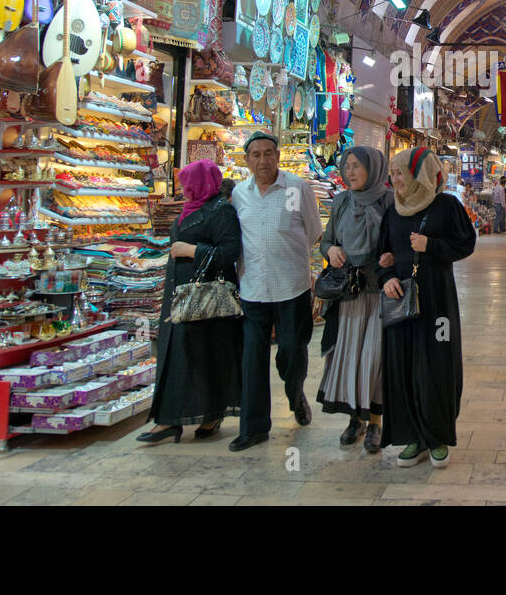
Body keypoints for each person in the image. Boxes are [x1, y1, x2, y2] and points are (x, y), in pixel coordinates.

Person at [377, 147, 475, 468]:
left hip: (436, 300)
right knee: (403, 364)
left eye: (400, 173)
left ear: (418, 175)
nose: (395, 180)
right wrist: (387, 276)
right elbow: (383, 255)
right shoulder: (393, 211)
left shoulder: (446, 205)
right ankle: (412, 438)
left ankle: (437, 437)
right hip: (401, 300)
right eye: (392, 174)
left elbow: (465, 244)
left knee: (435, 363)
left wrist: (431, 246)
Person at [229, 131, 323, 452]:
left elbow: (313, 233)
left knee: (291, 354)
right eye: (256, 155)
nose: (263, 160)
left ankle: (295, 394)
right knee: (252, 360)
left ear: (278, 156)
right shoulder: (239, 194)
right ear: (247, 161)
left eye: (269, 153)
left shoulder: (297, 188)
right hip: (253, 290)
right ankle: (254, 428)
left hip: (292, 289)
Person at [138, 161, 243, 444]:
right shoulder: (188, 210)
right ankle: (169, 419)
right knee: (175, 353)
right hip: (179, 295)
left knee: (205, 356)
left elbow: (230, 250)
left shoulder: (221, 211)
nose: (185, 190)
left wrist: (191, 250)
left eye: (189, 184)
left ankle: (210, 414)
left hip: (205, 300)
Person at [317, 147, 393, 452]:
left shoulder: (388, 201)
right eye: (346, 166)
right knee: (348, 357)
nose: (350, 172)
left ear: (372, 169)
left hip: (379, 291)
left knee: (373, 359)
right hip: (348, 292)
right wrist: (330, 251)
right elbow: (326, 240)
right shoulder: (342, 201)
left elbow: (399, 240)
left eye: (356, 166)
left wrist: (393, 256)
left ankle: (375, 421)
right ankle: (355, 418)